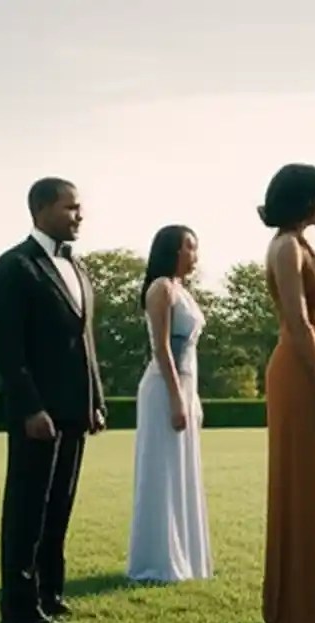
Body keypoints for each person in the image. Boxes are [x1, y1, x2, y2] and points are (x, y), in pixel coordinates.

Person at [0, 177, 107, 623]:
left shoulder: (76, 267)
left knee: (59, 505)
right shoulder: (15, 267)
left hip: (75, 411)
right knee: (27, 509)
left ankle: (50, 595)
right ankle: (19, 608)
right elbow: (7, 347)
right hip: (37, 414)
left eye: (79, 207)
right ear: (40, 209)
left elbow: (85, 341)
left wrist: (94, 399)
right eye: (70, 207)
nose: (80, 215)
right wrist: (31, 407)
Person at [259, 163, 315, 623]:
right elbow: (295, 322)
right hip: (301, 371)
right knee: (304, 490)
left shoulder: (297, 242)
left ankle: (305, 605)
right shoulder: (287, 246)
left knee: (312, 488)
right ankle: (302, 612)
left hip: (310, 365)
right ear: (308, 201)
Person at [127, 225, 213, 583]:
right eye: (189, 247)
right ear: (173, 250)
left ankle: (183, 554)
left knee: (181, 471)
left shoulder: (183, 291)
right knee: (162, 472)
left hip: (184, 386)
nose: (195, 254)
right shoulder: (160, 288)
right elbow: (161, 348)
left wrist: (194, 399)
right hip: (164, 387)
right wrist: (178, 397)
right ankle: (157, 560)